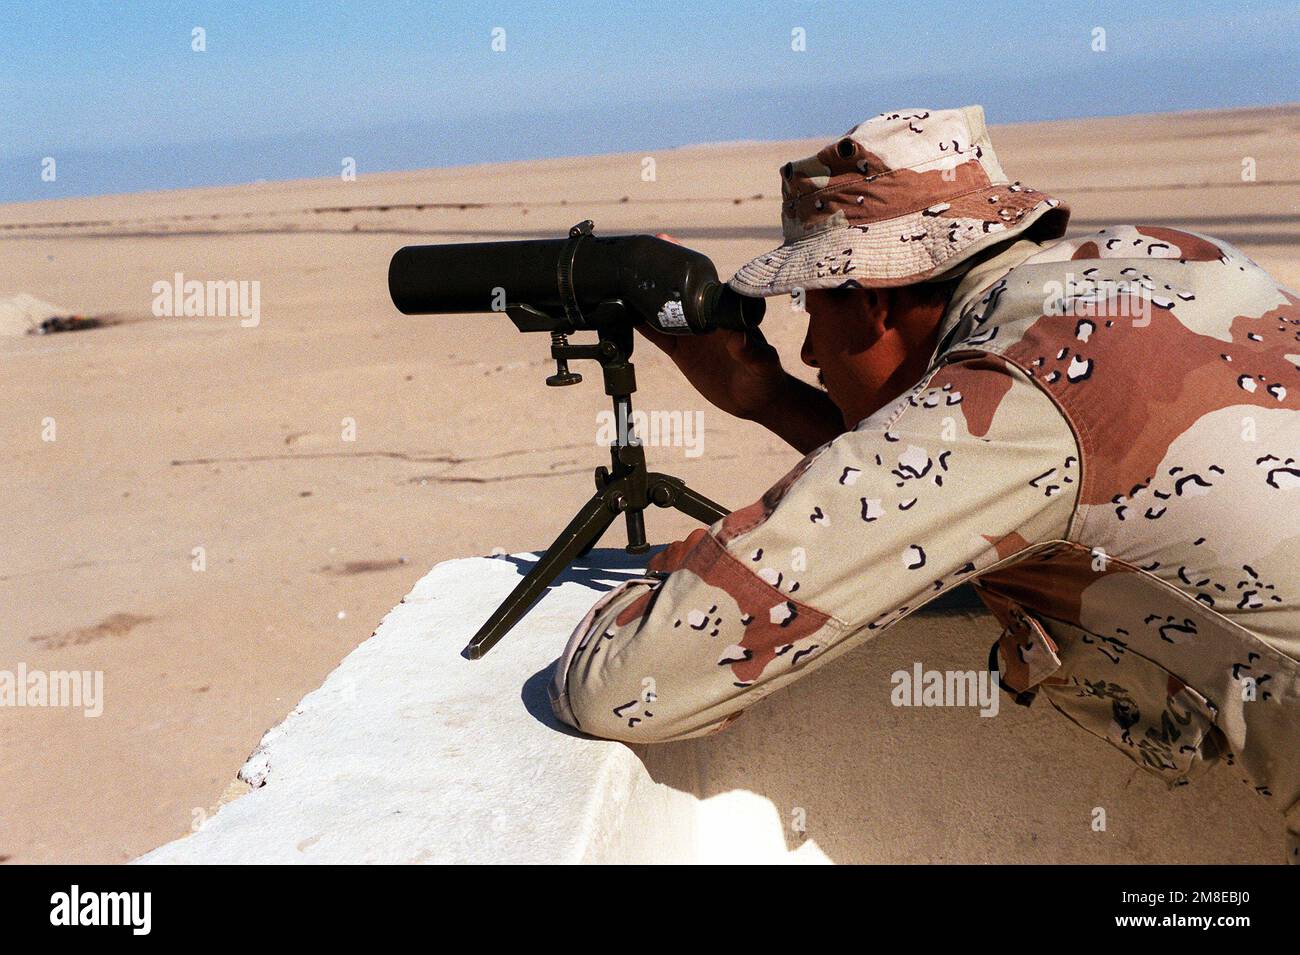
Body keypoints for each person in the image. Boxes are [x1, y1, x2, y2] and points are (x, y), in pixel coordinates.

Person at [547, 105, 1300, 860]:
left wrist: (695, 580)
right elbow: (957, 471)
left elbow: (620, 686)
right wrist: (769, 398)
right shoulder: (1178, 259)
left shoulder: (1016, 390)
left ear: (871, 298)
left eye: (813, 310)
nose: (809, 351)